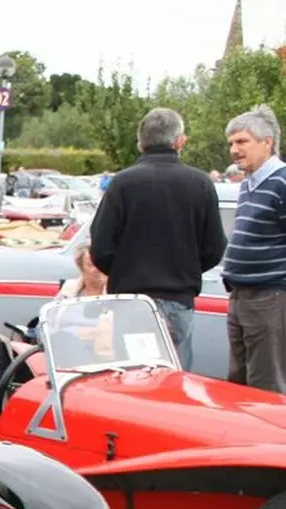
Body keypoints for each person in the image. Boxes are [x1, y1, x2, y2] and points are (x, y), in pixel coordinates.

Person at [87, 107, 226, 370]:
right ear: (179, 141)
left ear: (141, 143)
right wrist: (185, 269)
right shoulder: (201, 184)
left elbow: (102, 247)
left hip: (130, 301)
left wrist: (124, 270)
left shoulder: (122, 184)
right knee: (173, 385)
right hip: (178, 299)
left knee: (132, 381)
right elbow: (214, 248)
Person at [222, 104, 286, 392]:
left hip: (269, 297)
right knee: (239, 383)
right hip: (241, 296)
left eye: (242, 141)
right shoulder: (249, 184)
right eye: (231, 143)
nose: (234, 150)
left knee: (265, 387)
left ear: (267, 143)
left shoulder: (282, 182)